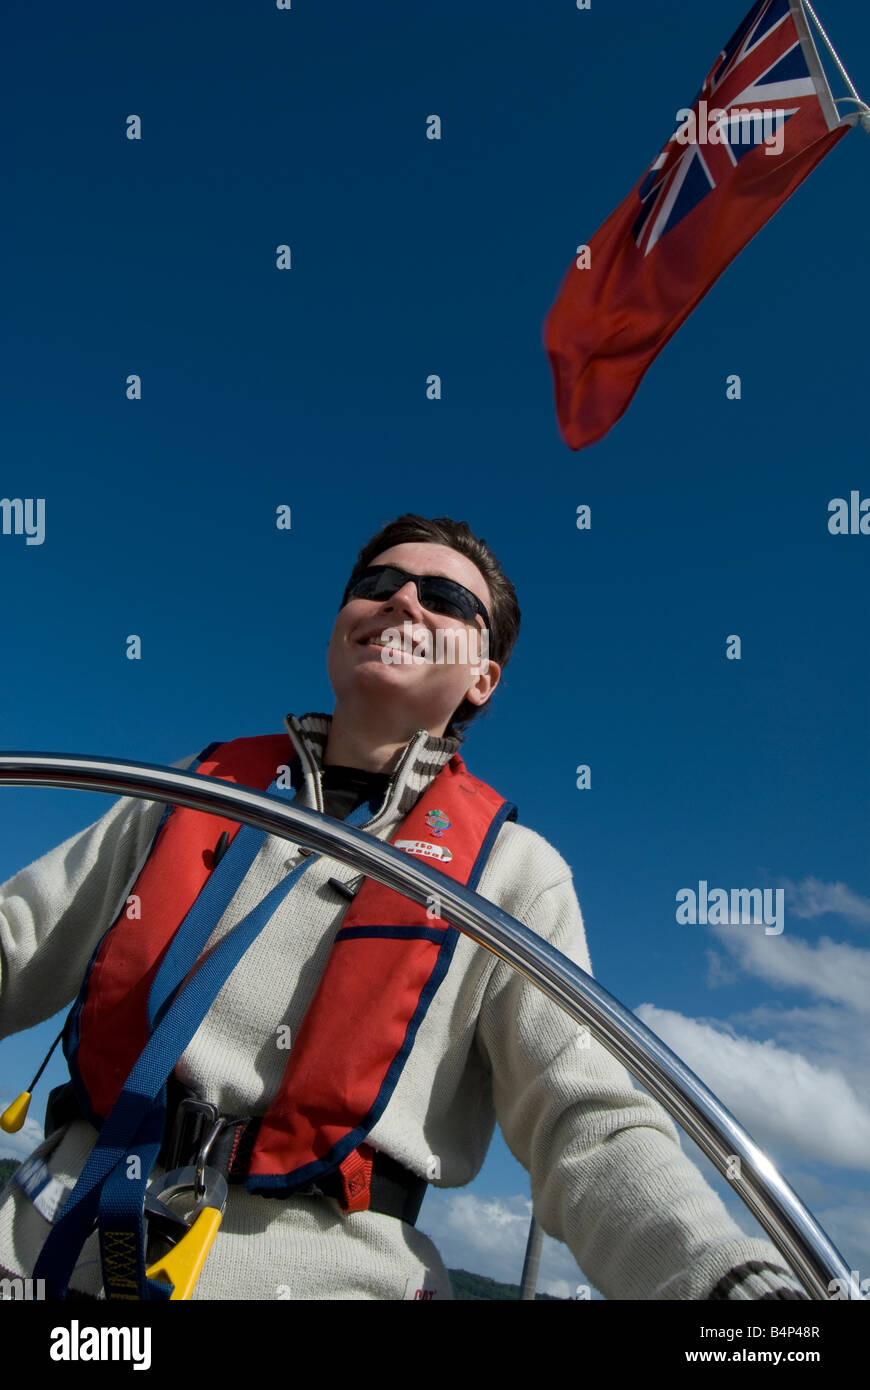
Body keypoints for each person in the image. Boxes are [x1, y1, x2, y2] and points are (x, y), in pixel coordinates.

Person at [0, 513, 808, 1300]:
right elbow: (14, 942)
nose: (402, 602)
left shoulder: (515, 876)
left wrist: (725, 1284)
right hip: (41, 1241)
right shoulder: (188, 791)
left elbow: (590, 1127)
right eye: (377, 583)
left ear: (483, 678)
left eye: (446, 601)